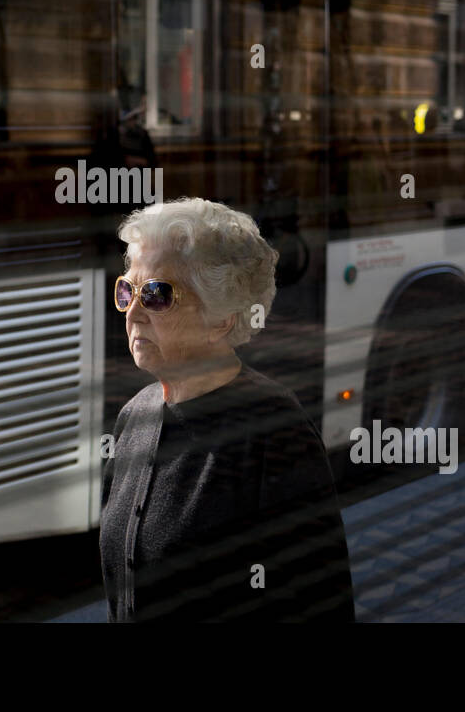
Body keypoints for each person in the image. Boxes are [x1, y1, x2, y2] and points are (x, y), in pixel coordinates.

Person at [100, 197, 355, 621]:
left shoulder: (276, 433)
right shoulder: (133, 416)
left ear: (221, 317)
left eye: (157, 294)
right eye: (128, 289)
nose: (134, 312)